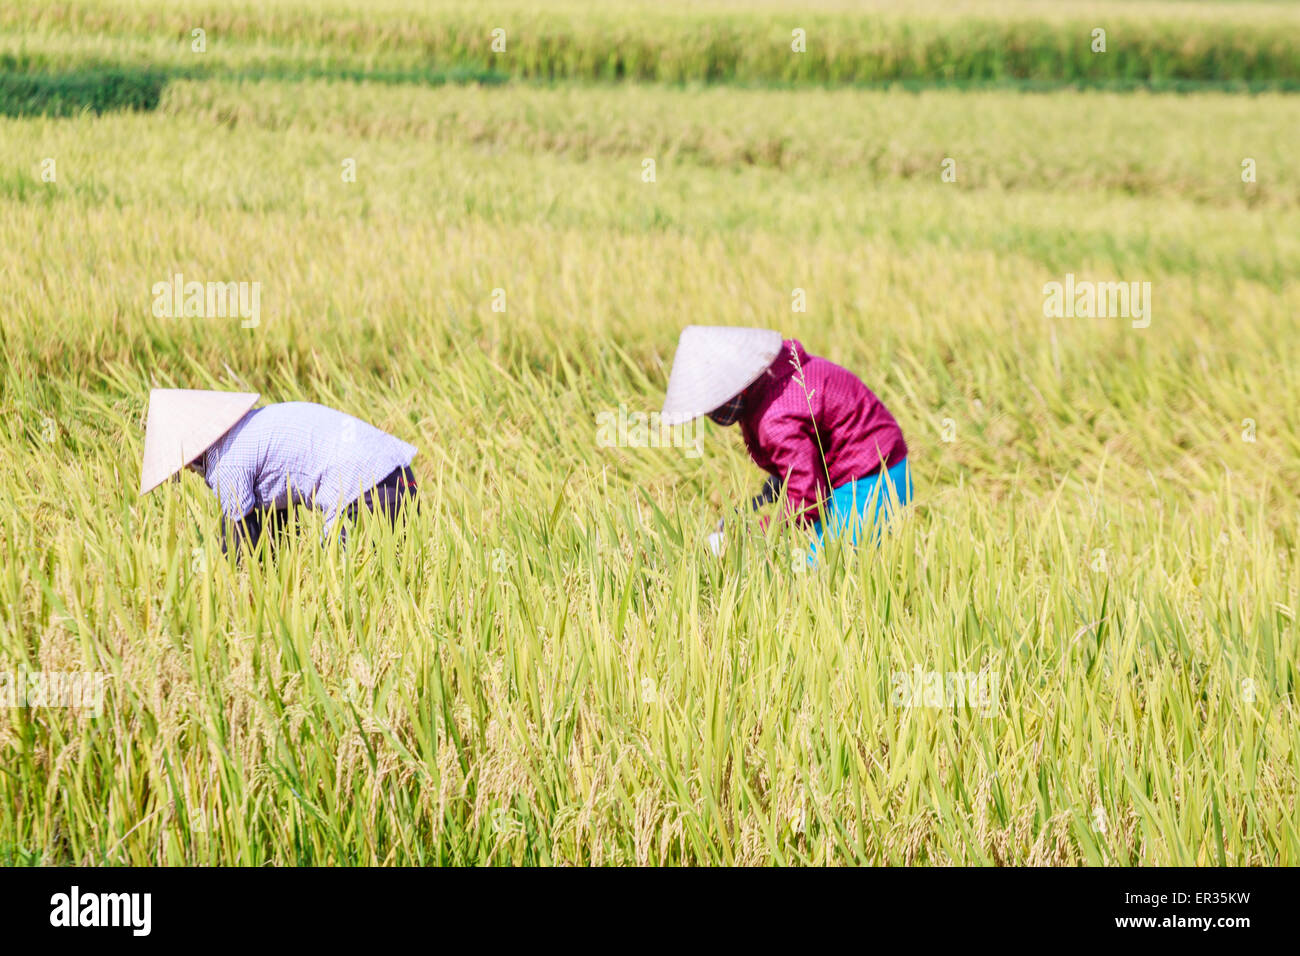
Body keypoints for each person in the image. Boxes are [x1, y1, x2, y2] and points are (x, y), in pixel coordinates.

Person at [660, 326, 911, 559]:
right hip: (863, 463)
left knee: (824, 572)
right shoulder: (771, 376)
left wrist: (751, 534)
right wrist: (782, 481)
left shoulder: (775, 419)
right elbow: (811, 440)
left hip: (874, 476)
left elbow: (809, 499)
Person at [138, 389, 417, 556]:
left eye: (181, 465)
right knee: (392, 575)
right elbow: (274, 526)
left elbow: (243, 548)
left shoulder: (228, 464)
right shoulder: (252, 427)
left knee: (340, 583)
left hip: (364, 491)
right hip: (399, 477)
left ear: (191, 453)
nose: (185, 472)